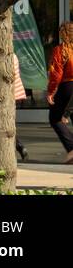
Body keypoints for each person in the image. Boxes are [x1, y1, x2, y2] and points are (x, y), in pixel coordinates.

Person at [44, 20, 73, 162]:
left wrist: (50, 91)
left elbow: (56, 74)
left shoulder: (60, 50)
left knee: (55, 118)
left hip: (67, 86)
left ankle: (71, 148)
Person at [13, 51, 29, 161]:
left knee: (4, 125)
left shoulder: (7, 57)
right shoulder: (13, 56)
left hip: (11, 94)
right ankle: (19, 147)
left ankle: (19, 146)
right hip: (16, 93)